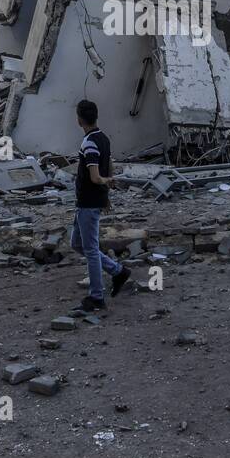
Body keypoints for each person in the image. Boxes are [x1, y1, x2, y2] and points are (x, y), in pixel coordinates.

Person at [70, 99, 129, 311]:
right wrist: (107, 193)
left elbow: (96, 177)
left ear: (79, 120)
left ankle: (96, 297)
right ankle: (118, 271)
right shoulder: (103, 138)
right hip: (90, 201)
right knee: (76, 244)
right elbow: (109, 166)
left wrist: (105, 184)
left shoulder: (89, 143)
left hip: (88, 201)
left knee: (91, 250)